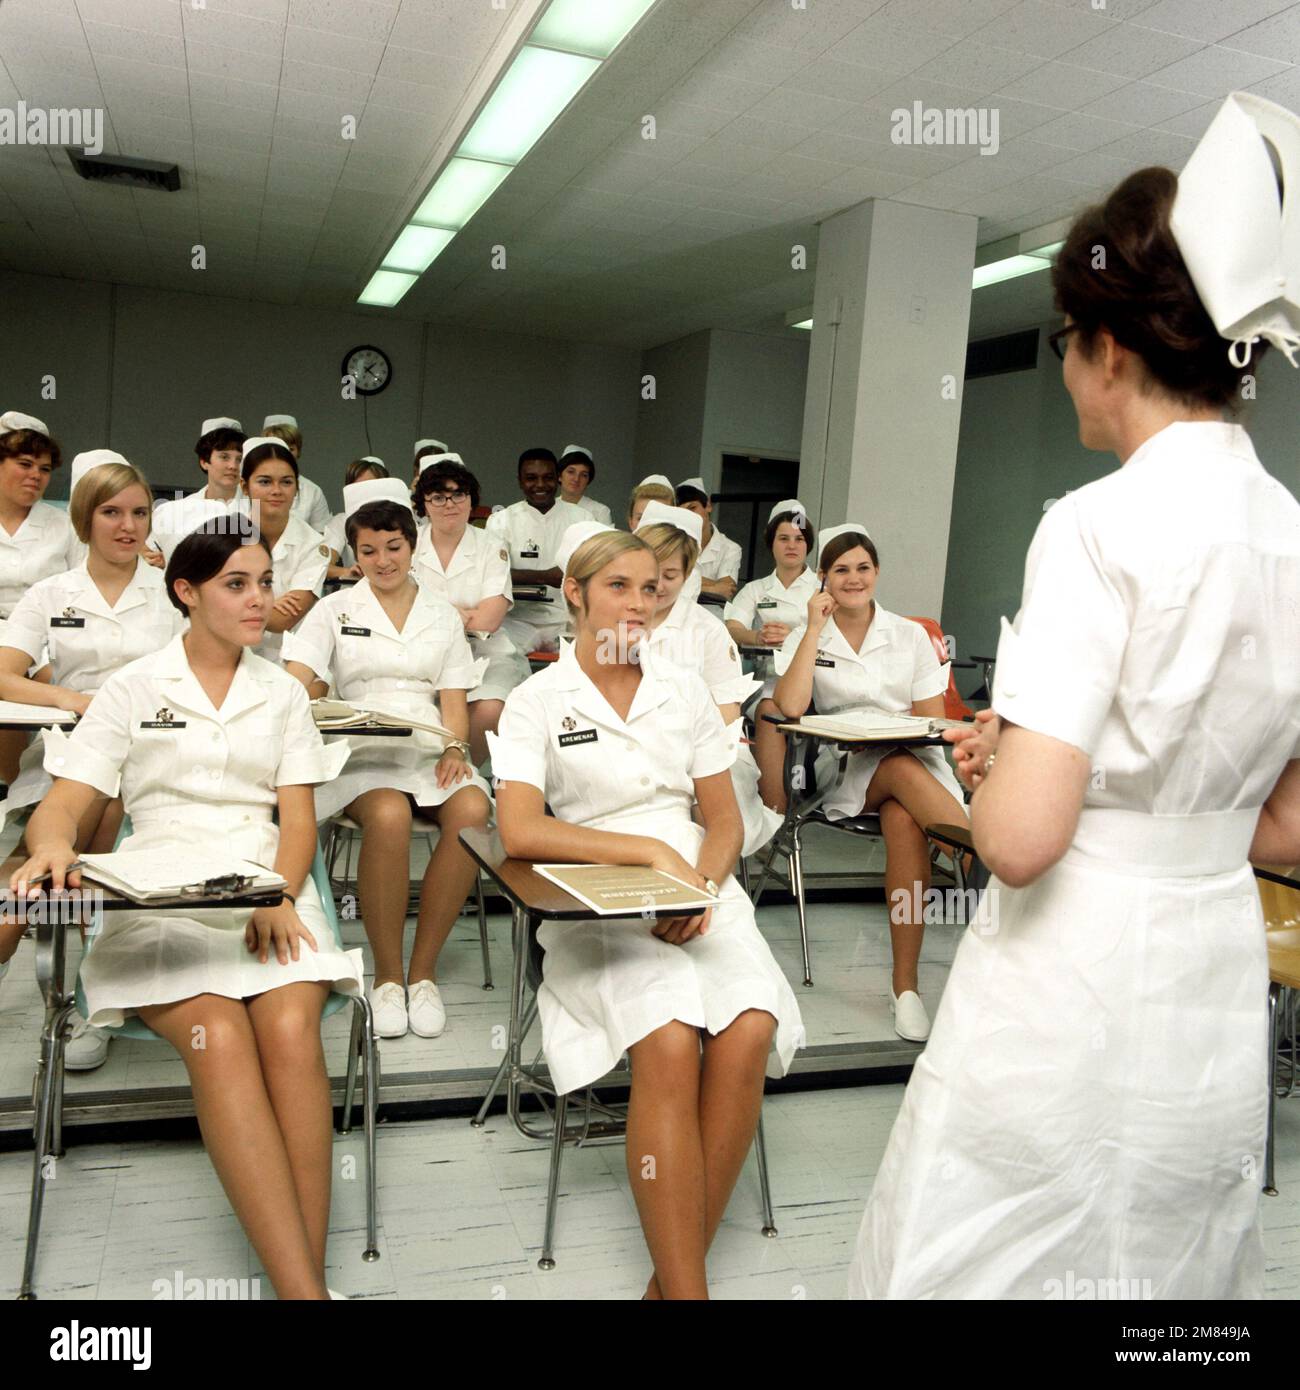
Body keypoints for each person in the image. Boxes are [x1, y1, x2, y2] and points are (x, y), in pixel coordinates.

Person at [849, 95, 1300, 1300]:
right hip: (1209, 964)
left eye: (1061, 338)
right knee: (1166, 1256)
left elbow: (1020, 844)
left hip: (1075, 977)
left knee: (1005, 1250)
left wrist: (998, 772)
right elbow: (1286, 821)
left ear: (1106, 344)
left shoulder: (1095, 525)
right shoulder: (1291, 533)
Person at [10, 522, 364, 1300]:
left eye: (265, 582)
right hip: (163, 887)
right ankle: (305, 1293)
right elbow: (65, 803)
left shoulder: (282, 693)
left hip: (266, 877)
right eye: (237, 583)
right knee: (220, 1038)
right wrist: (53, 845)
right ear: (186, 591)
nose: (259, 599)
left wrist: (274, 892)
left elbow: (298, 822)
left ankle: (296, 1286)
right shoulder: (134, 688)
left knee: (288, 1028)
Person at [487, 522, 804, 1300]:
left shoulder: (685, 690)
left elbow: (723, 821)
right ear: (576, 594)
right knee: (667, 1037)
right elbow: (521, 829)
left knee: (749, 1022)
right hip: (592, 891)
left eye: (651, 588)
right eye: (617, 587)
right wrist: (649, 859)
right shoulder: (538, 700)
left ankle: (668, 1288)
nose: (638, 603)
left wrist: (696, 884)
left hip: (700, 880)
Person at [284, 483, 492, 1041]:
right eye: (369, 551)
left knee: (472, 810)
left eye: (394, 547)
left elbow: (453, 702)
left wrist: (455, 747)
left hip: (425, 743)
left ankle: (423, 974)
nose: (382, 561)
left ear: (412, 544)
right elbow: (293, 680)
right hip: (360, 748)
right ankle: (387, 976)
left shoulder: (442, 616)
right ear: (354, 553)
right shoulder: (333, 610)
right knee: (390, 815)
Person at [0, 457, 181, 1069]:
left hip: (158, 748)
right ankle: (89, 986)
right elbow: (2, 673)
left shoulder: (174, 592)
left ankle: (87, 992)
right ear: (84, 518)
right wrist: (67, 697)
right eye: (111, 512)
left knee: (74, 837)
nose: (127, 526)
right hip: (73, 746)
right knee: (88, 820)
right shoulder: (51, 593)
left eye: (138, 513)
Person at [772, 525, 968, 1042]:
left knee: (903, 816)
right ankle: (973, 853)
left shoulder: (910, 636)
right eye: (841, 570)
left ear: (876, 572)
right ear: (824, 579)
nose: (853, 579)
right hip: (843, 766)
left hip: (913, 764)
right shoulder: (805, 634)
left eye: (862, 568)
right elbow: (790, 707)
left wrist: (895, 731)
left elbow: (933, 724)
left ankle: (905, 988)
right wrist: (813, 630)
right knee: (898, 773)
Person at [635, 501, 780, 861]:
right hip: (634, 749)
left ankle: (707, 897)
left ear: (688, 574)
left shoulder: (708, 630)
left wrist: (680, 753)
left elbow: (726, 716)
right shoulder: (615, 624)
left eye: (671, 575)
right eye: (651, 574)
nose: (659, 585)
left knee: (708, 812)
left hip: (709, 752)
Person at [412, 454, 528, 763]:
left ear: (471, 498)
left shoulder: (491, 546)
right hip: (422, 653)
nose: (449, 503)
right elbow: (401, 611)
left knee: (490, 706)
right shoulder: (408, 545)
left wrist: (436, 612)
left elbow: (489, 620)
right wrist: (458, 613)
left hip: (483, 654)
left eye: (458, 493)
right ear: (423, 502)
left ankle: (466, 774)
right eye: (438, 496)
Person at [724, 501, 820, 813]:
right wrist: (757, 636)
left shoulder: (822, 587)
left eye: (799, 538)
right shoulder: (756, 589)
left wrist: (792, 637)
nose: (792, 545)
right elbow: (732, 626)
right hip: (767, 680)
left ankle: (780, 809)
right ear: (771, 543)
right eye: (784, 538)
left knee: (776, 707)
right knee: (768, 708)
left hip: (817, 681)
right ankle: (774, 814)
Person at [0, 413, 79, 782]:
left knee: (67, 685)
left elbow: (82, 585)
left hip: (48, 636)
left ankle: (34, 791)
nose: (36, 475)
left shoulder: (63, 525)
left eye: (44, 469)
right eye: (25, 464)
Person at [484, 447, 586, 655]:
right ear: (520, 480)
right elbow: (491, 573)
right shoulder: (501, 521)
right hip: (515, 620)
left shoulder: (582, 519)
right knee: (500, 664)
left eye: (548, 478)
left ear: (557, 478)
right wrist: (545, 577)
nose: (540, 485)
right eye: (531, 478)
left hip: (565, 619)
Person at [238, 436, 327, 661]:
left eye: (286, 482)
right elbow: (209, 607)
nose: (276, 490)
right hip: (230, 653)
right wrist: (271, 604)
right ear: (244, 486)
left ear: (297, 488)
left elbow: (283, 621)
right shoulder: (224, 535)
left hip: (288, 662)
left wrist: (236, 603)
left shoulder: (313, 545)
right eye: (265, 482)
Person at [149, 417, 247, 564]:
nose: (233, 466)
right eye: (224, 457)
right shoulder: (179, 509)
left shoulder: (255, 507)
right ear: (204, 461)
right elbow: (150, 550)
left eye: (239, 459)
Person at [262, 415, 332, 533]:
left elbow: (321, 540)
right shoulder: (247, 487)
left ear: (298, 451)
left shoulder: (313, 492)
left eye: (290, 449)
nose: (284, 454)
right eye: (277, 448)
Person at [675, 478, 740, 600]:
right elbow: (665, 584)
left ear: (708, 506)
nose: (689, 516)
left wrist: (683, 581)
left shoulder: (730, 548)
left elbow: (726, 591)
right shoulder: (673, 544)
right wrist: (714, 586)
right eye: (682, 512)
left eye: (692, 508)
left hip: (712, 615)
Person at [323, 457, 387, 582]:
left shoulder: (402, 520)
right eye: (356, 487)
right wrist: (348, 571)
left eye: (369, 486)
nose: (362, 493)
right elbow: (322, 566)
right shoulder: (341, 522)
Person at [557, 445, 613, 523]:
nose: (576, 479)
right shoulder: (548, 508)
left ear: (588, 480)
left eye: (583, 475)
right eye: (571, 472)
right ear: (559, 476)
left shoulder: (600, 512)